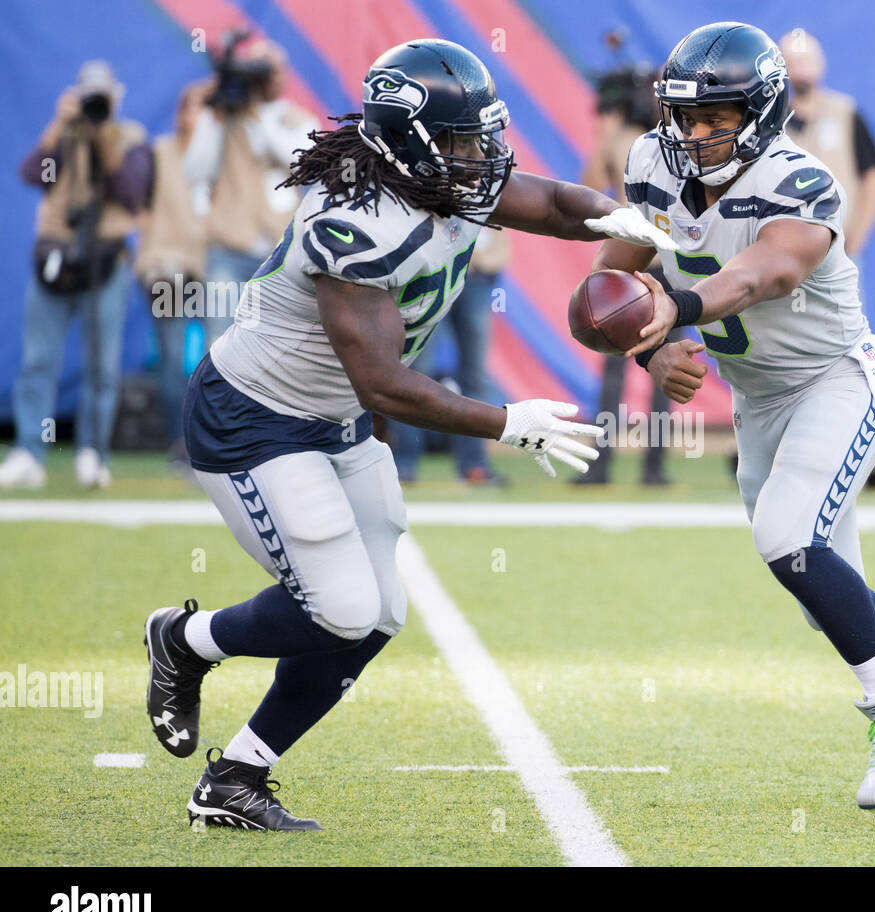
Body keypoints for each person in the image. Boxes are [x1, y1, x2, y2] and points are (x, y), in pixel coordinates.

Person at [142, 38, 678, 831]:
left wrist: (628, 216)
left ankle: (238, 775)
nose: (483, 156)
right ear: (412, 143)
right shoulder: (351, 222)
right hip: (254, 417)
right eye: (463, 141)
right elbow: (384, 383)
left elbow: (561, 207)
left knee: (379, 612)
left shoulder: (444, 177)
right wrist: (508, 423)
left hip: (329, 418)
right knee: (340, 607)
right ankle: (185, 639)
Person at [601, 21, 875, 814]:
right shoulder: (650, 163)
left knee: (787, 537)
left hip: (835, 381)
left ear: (762, 113)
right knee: (826, 594)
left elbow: (765, 273)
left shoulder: (804, 181)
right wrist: (648, 353)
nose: (697, 134)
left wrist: (675, 308)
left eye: (718, 118)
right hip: (759, 398)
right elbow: (612, 283)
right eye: (687, 116)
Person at [0, 61, 152, 490]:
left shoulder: (132, 139)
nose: (95, 104)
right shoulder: (63, 136)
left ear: (117, 97)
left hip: (105, 262)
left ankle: (92, 453)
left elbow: (129, 192)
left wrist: (102, 138)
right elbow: (32, 174)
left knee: (101, 365)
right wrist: (58, 124)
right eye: (90, 96)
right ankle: (30, 452)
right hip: (55, 258)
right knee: (37, 361)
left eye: (102, 97)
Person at [574, 59, 676, 486]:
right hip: (658, 266)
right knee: (659, 365)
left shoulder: (631, 143)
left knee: (622, 366)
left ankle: (606, 466)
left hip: (631, 267)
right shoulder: (662, 144)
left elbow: (589, 182)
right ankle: (648, 469)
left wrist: (605, 133)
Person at [184, 34, 315, 346]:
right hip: (227, 250)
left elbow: (303, 165)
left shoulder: (294, 118)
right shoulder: (223, 118)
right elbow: (194, 170)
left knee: (278, 342)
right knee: (220, 341)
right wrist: (215, 116)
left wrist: (259, 118)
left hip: (280, 254)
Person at [389, 228, 512, 485]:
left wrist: (476, 257)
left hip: (475, 279)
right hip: (430, 273)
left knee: (474, 376)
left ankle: (473, 465)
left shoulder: (487, 191)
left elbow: (500, 244)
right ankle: (403, 464)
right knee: (413, 371)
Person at [135, 81, 209, 467]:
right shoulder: (159, 154)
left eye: (206, 107)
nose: (199, 115)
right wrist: (147, 255)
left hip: (215, 268)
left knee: (224, 358)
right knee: (172, 356)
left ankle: (216, 441)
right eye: (194, 106)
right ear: (181, 113)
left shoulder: (224, 156)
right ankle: (180, 444)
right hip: (169, 267)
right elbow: (140, 208)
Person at [778, 30, 875, 258]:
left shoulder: (845, 113)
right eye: (793, 61)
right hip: (787, 250)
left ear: (821, 63)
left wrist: (858, 237)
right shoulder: (775, 123)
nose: (800, 67)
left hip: (840, 248)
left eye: (806, 59)